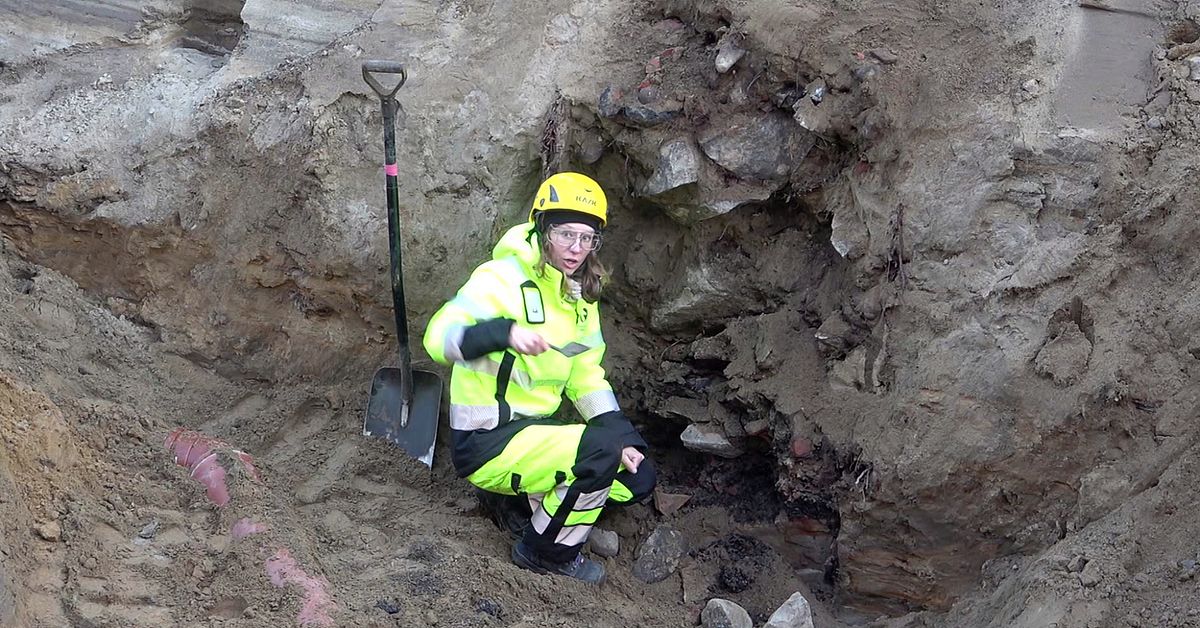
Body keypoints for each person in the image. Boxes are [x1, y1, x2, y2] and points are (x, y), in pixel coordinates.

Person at [422, 171, 655, 585]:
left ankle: (517, 506)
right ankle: (545, 553)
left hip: (535, 435)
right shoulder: (501, 279)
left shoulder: (579, 295)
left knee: (639, 472)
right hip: (487, 439)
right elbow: (437, 338)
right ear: (543, 228)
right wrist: (501, 333)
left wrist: (619, 433)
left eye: (588, 239)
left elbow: (586, 374)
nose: (577, 249)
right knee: (598, 453)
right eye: (567, 234)